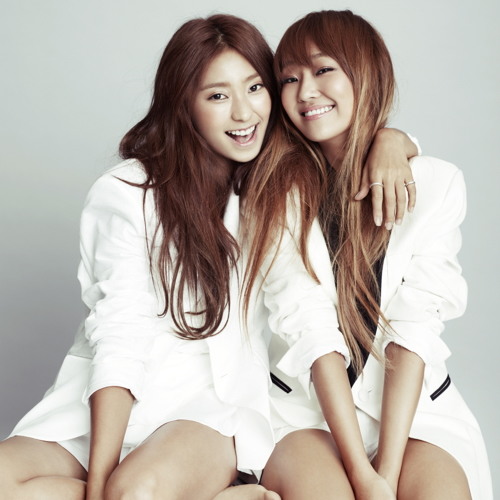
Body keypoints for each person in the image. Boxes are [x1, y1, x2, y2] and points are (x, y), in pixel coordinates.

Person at [0, 12, 419, 500]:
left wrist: (394, 140)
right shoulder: (126, 191)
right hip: (103, 406)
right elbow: (119, 335)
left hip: (207, 411)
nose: (243, 113)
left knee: (134, 494)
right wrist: (98, 483)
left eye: (255, 88)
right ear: (185, 104)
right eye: (218, 96)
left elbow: (308, 319)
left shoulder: (274, 191)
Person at [246, 9, 493, 500]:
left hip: (414, 412)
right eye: (289, 78)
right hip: (306, 409)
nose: (305, 91)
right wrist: (363, 476)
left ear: (365, 73)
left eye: (323, 69)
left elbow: (414, 329)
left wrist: (388, 472)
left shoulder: (436, 184)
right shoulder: (271, 191)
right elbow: (310, 330)